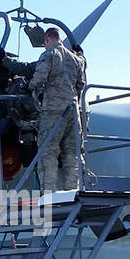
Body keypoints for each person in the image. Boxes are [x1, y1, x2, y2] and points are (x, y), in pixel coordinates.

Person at [31, 26, 84, 192]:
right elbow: (81, 84)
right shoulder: (76, 59)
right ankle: (73, 190)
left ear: (47, 39)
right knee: (73, 152)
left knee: (48, 150)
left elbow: (40, 78)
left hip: (54, 110)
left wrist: (30, 86)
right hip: (73, 110)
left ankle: (48, 193)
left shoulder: (49, 54)